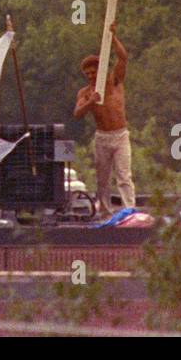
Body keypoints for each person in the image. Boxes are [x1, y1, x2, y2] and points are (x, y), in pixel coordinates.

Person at [73, 21, 135, 217]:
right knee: (102, 179)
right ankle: (106, 211)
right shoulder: (86, 92)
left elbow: (123, 58)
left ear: (100, 70)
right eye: (87, 74)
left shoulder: (114, 81)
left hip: (120, 135)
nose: (91, 76)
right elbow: (77, 113)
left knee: (124, 175)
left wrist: (113, 37)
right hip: (102, 138)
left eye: (94, 72)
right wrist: (91, 102)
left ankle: (129, 209)